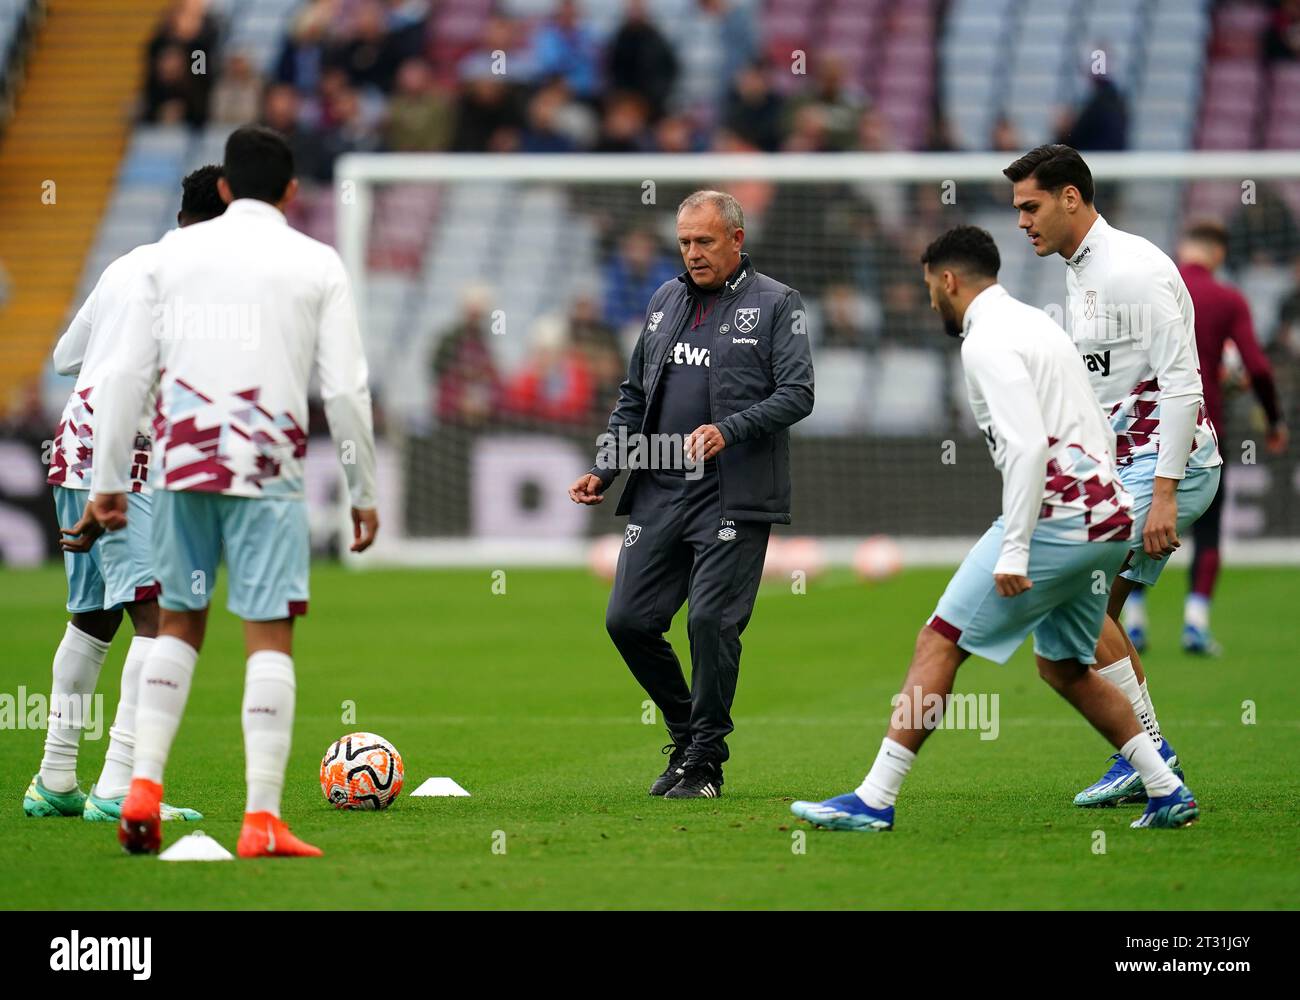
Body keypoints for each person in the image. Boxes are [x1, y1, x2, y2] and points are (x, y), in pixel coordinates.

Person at [791, 225, 1197, 833]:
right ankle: (1165, 789)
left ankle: (875, 798)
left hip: (1053, 520)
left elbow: (1029, 445)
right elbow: (1088, 417)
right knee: (1062, 665)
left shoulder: (985, 343)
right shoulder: (1036, 322)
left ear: (949, 281)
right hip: (1106, 513)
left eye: (931, 287)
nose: (930, 300)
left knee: (939, 641)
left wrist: (1015, 548)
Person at [89, 126, 379, 857]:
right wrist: (361, 489)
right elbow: (344, 387)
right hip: (265, 469)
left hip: (181, 464)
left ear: (222, 189)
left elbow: (123, 373)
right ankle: (260, 820)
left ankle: (142, 788)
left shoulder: (168, 256)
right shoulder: (315, 261)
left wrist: (108, 477)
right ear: (291, 192)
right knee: (268, 636)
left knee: (179, 624)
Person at [568, 190, 814, 798]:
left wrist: (727, 431)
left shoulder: (778, 304)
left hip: (732, 494)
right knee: (627, 620)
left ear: (736, 238)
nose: (692, 253)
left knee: (709, 621)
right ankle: (687, 734)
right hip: (658, 487)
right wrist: (607, 465)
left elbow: (799, 393)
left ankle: (704, 762)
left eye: (704, 241)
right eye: (684, 242)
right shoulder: (664, 300)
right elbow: (633, 395)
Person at [1004, 144, 1222, 808]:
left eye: (1030, 206)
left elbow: (1184, 386)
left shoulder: (1130, 270)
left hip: (1164, 473)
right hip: (1128, 470)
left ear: (1071, 197)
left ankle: (1149, 755)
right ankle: (1143, 754)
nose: (1022, 222)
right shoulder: (1081, 268)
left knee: (1067, 597)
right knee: (1091, 615)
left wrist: (1160, 494)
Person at [23, 166, 227, 823]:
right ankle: (119, 789)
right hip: (123, 463)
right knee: (162, 619)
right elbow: (130, 378)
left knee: (93, 617)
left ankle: (55, 778)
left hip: (74, 447)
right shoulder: (193, 283)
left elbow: (63, 358)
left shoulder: (127, 265)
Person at [1153, 221, 1283, 653]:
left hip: (1148, 432)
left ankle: (1131, 622)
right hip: (1205, 434)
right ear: (1220, 254)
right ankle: (1195, 622)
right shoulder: (1228, 300)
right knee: (1208, 532)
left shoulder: (1154, 291)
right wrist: (1275, 420)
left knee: (1138, 528)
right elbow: (1259, 368)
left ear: (1182, 248)